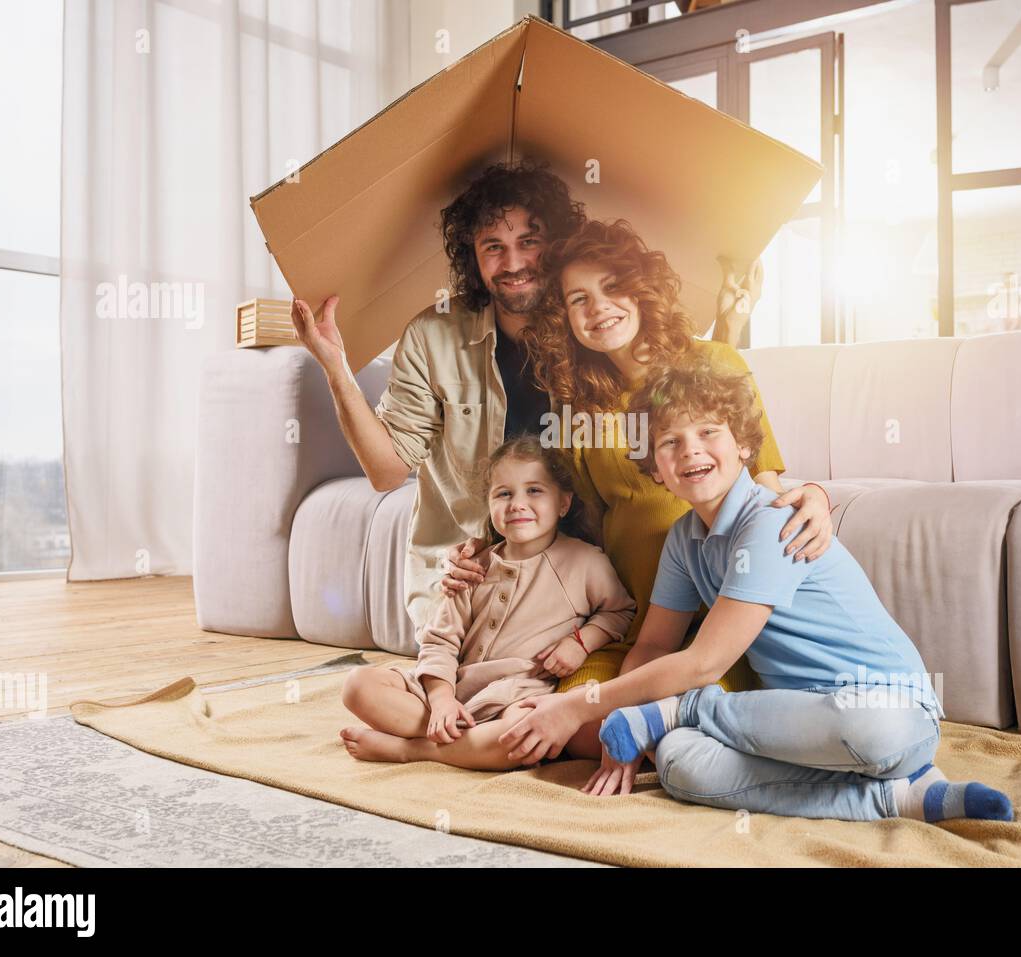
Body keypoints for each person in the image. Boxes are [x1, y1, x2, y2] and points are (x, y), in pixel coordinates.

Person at [497, 359, 1015, 825]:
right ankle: (903, 799)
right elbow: (653, 646)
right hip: (784, 724)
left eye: (708, 432)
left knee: (873, 733)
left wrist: (581, 707)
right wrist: (618, 722)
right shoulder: (684, 538)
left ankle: (684, 711)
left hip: (887, 713)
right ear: (654, 467)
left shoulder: (770, 522)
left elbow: (704, 662)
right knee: (679, 763)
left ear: (744, 444)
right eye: (669, 441)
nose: (690, 450)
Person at [289, 159, 788, 637]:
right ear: (472, 257)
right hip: (472, 567)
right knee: (474, 694)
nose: (514, 264)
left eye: (529, 242)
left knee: (553, 699)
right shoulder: (433, 335)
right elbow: (385, 471)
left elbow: (689, 396)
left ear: (554, 247)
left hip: (583, 570)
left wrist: (730, 327)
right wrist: (336, 367)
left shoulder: (595, 334)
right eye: (493, 247)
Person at [441, 219, 835, 762]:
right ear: (564, 318)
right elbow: (572, 518)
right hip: (632, 623)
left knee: (669, 736)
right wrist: (487, 549)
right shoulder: (574, 404)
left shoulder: (716, 363)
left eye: (613, 287)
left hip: (717, 624)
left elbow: (761, 484)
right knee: (555, 724)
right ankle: (424, 744)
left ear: (643, 291)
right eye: (578, 299)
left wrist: (814, 495)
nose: (598, 307)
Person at [339, 436, 634, 770]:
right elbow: (440, 642)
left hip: (516, 695)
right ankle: (465, 740)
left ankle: (413, 750)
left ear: (563, 503)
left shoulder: (584, 562)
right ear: (489, 504)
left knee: (521, 733)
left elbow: (620, 611)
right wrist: (441, 700)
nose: (517, 504)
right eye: (504, 493)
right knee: (357, 686)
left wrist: (580, 643)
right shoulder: (473, 566)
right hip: (453, 688)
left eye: (534, 490)